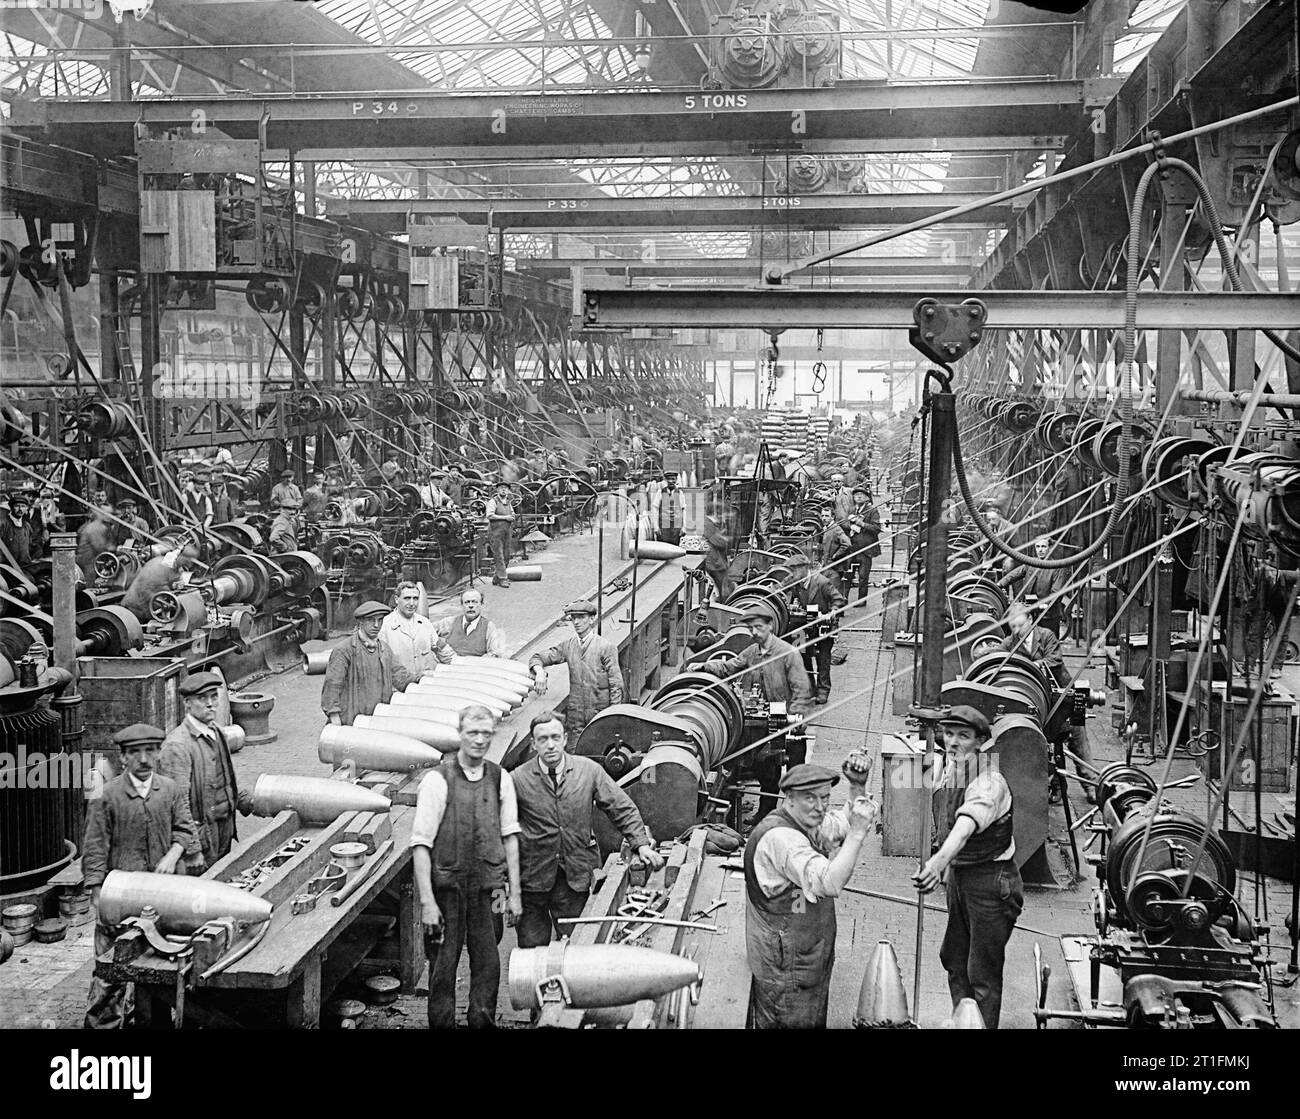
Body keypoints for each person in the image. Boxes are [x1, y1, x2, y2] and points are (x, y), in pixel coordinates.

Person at [411, 704, 523, 1029]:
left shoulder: (500, 779)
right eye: (473, 733)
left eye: (486, 734)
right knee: (443, 969)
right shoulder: (437, 780)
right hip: (447, 891)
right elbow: (420, 844)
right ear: (460, 734)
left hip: (489, 891)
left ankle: (482, 1023)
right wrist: (427, 903)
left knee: (488, 965)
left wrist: (514, 894)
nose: (479, 740)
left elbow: (511, 837)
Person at [743, 759, 878, 1029]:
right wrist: (859, 834)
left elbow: (841, 824)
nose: (820, 806)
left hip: (806, 951)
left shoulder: (804, 821)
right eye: (810, 798)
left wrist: (857, 786)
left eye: (825, 798)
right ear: (789, 798)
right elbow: (830, 882)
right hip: (787, 963)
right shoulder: (782, 839)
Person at [512, 712, 663, 948]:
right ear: (533, 743)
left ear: (565, 739)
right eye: (542, 739)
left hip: (577, 876)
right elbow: (502, 831)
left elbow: (620, 807)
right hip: (533, 880)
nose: (550, 745)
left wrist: (640, 843)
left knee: (577, 948)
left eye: (555, 737)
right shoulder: (518, 779)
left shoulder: (588, 771)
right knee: (532, 951)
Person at [83, 723, 199, 1028]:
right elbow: (94, 846)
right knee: (110, 974)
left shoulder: (169, 790)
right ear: (123, 758)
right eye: (135, 753)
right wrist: (97, 892)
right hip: (120, 899)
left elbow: (186, 829)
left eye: (150, 751)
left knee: (157, 970)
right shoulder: (106, 796)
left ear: (159, 753)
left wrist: (173, 855)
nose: (144, 759)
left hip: (161, 899)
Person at [914, 705, 1022, 1030]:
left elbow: (965, 824)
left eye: (963, 736)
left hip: (992, 883)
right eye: (948, 734)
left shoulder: (989, 781)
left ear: (981, 742)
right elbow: (911, 777)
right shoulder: (950, 768)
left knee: (982, 974)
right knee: (954, 958)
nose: (953, 742)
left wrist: (938, 860)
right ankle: (964, 1022)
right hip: (961, 878)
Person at [698, 607, 812, 817]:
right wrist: (704, 666)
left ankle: (798, 818)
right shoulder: (752, 652)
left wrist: (796, 719)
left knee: (796, 776)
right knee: (766, 772)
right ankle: (766, 813)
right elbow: (730, 667)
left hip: (788, 724)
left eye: (759, 628)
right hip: (763, 723)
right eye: (752, 629)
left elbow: (801, 689)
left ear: (770, 626)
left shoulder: (788, 653)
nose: (755, 633)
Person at [159, 671, 252, 870]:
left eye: (214, 696)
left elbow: (225, 778)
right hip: (201, 837)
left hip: (223, 828)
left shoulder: (216, 731)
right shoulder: (178, 746)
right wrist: (192, 849)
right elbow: (178, 804)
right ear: (187, 704)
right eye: (202, 698)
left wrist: (247, 801)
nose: (210, 703)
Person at [1002, 603, 1096, 794]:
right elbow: (997, 655)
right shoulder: (1009, 642)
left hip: (1059, 692)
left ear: (1030, 620)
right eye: (1013, 627)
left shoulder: (1046, 636)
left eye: (1020, 625)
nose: (1017, 631)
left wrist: (1032, 665)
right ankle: (1054, 784)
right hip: (1035, 698)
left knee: (1077, 735)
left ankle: (1091, 784)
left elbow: (1055, 659)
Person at [528, 600, 624, 738]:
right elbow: (538, 657)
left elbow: (617, 686)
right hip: (575, 719)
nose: (576, 622)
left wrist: (613, 719)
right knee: (573, 754)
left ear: (592, 619)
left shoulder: (606, 648)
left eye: (581, 617)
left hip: (599, 718)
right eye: (573, 618)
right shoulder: (569, 646)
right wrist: (539, 673)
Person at [322, 600, 414, 725]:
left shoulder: (384, 649)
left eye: (380, 620)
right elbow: (332, 686)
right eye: (371, 620)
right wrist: (334, 719)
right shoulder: (344, 650)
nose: (376, 625)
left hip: (377, 719)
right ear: (361, 622)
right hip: (350, 720)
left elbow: (400, 676)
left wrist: (422, 679)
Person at [786, 552, 844, 705]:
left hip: (822, 626)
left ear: (805, 568)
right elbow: (778, 587)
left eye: (795, 570)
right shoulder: (795, 582)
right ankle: (810, 687)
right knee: (801, 656)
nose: (792, 574)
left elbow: (838, 599)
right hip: (803, 627)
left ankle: (823, 690)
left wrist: (832, 612)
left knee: (823, 659)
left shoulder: (822, 582)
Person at [381, 581, 453, 679]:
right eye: (407, 598)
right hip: (401, 688)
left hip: (426, 683)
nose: (412, 603)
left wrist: (460, 665)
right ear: (397, 599)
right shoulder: (385, 626)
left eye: (415, 598)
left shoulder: (425, 623)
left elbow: (441, 650)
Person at [999, 536, 1070, 634]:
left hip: (1048, 616)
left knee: (1047, 642)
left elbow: (1056, 593)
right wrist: (999, 584)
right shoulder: (1031, 563)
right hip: (1031, 612)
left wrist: (1045, 604)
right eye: (1038, 546)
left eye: (1043, 547)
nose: (1040, 550)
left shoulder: (1057, 567)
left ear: (1050, 548)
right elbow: (1014, 574)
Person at [121, 542, 199, 623]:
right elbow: (152, 591)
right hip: (135, 610)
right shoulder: (160, 566)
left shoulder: (173, 567)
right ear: (181, 557)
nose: (190, 564)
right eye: (189, 561)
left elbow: (175, 582)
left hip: (150, 608)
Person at [433, 587, 508, 657]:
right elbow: (428, 629)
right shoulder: (450, 622)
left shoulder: (489, 627)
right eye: (467, 602)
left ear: (481, 605)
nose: (470, 606)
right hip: (450, 666)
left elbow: (495, 654)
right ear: (462, 605)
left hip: (474, 668)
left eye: (474, 602)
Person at [846, 487, 882, 605]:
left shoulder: (872, 511)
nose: (859, 496)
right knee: (848, 576)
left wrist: (862, 524)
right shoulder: (851, 510)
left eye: (862, 495)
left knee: (863, 577)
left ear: (867, 498)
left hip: (865, 550)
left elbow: (877, 528)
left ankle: (861, 601)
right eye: (856, 495)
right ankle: (843, 600)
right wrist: (849, 526)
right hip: (852, 549)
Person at [485, 482, 516, 588]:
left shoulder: (508, 502)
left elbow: (511, 513)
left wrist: (512, 516)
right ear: (497, 490)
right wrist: (505, 518)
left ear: (508, 491)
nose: (503, 490)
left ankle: (496, 578)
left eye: (506, 489)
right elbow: (489, 515)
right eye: (501, 488)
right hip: (495, 533)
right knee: (499, 556)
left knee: (506, 555)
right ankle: (503, 578)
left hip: (507, 532)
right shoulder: (493, 501)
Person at [818, 505, 852, 591]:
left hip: (834, 568)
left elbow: (847, 543)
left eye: (826, 516)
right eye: (822, 516)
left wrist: (836, 555)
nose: (824, 518)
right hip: (827, 566)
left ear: (832, 517)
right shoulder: (827, 528)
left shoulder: (836, 529)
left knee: (833, 592)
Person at [0, 490, 36, 571]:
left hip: (24, 568)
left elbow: (31, 546)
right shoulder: (3, 524)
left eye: (23, 506)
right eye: (17, 506)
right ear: (11, 507)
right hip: (6, 569)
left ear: (26, 508)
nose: (20, 509)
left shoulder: (27, 526)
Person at [654, 470, 686, 547]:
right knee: (663, 548)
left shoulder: (680, 493)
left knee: (675, 549)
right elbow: (655, 509)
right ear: (666, 480)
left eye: (673, 479)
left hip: (676, 528)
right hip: (663, 528)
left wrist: (684, 527)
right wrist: (656, 527)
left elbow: (684, 510)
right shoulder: (660, 492)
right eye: (669, 479)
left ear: (676, 480)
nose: (671, 481)